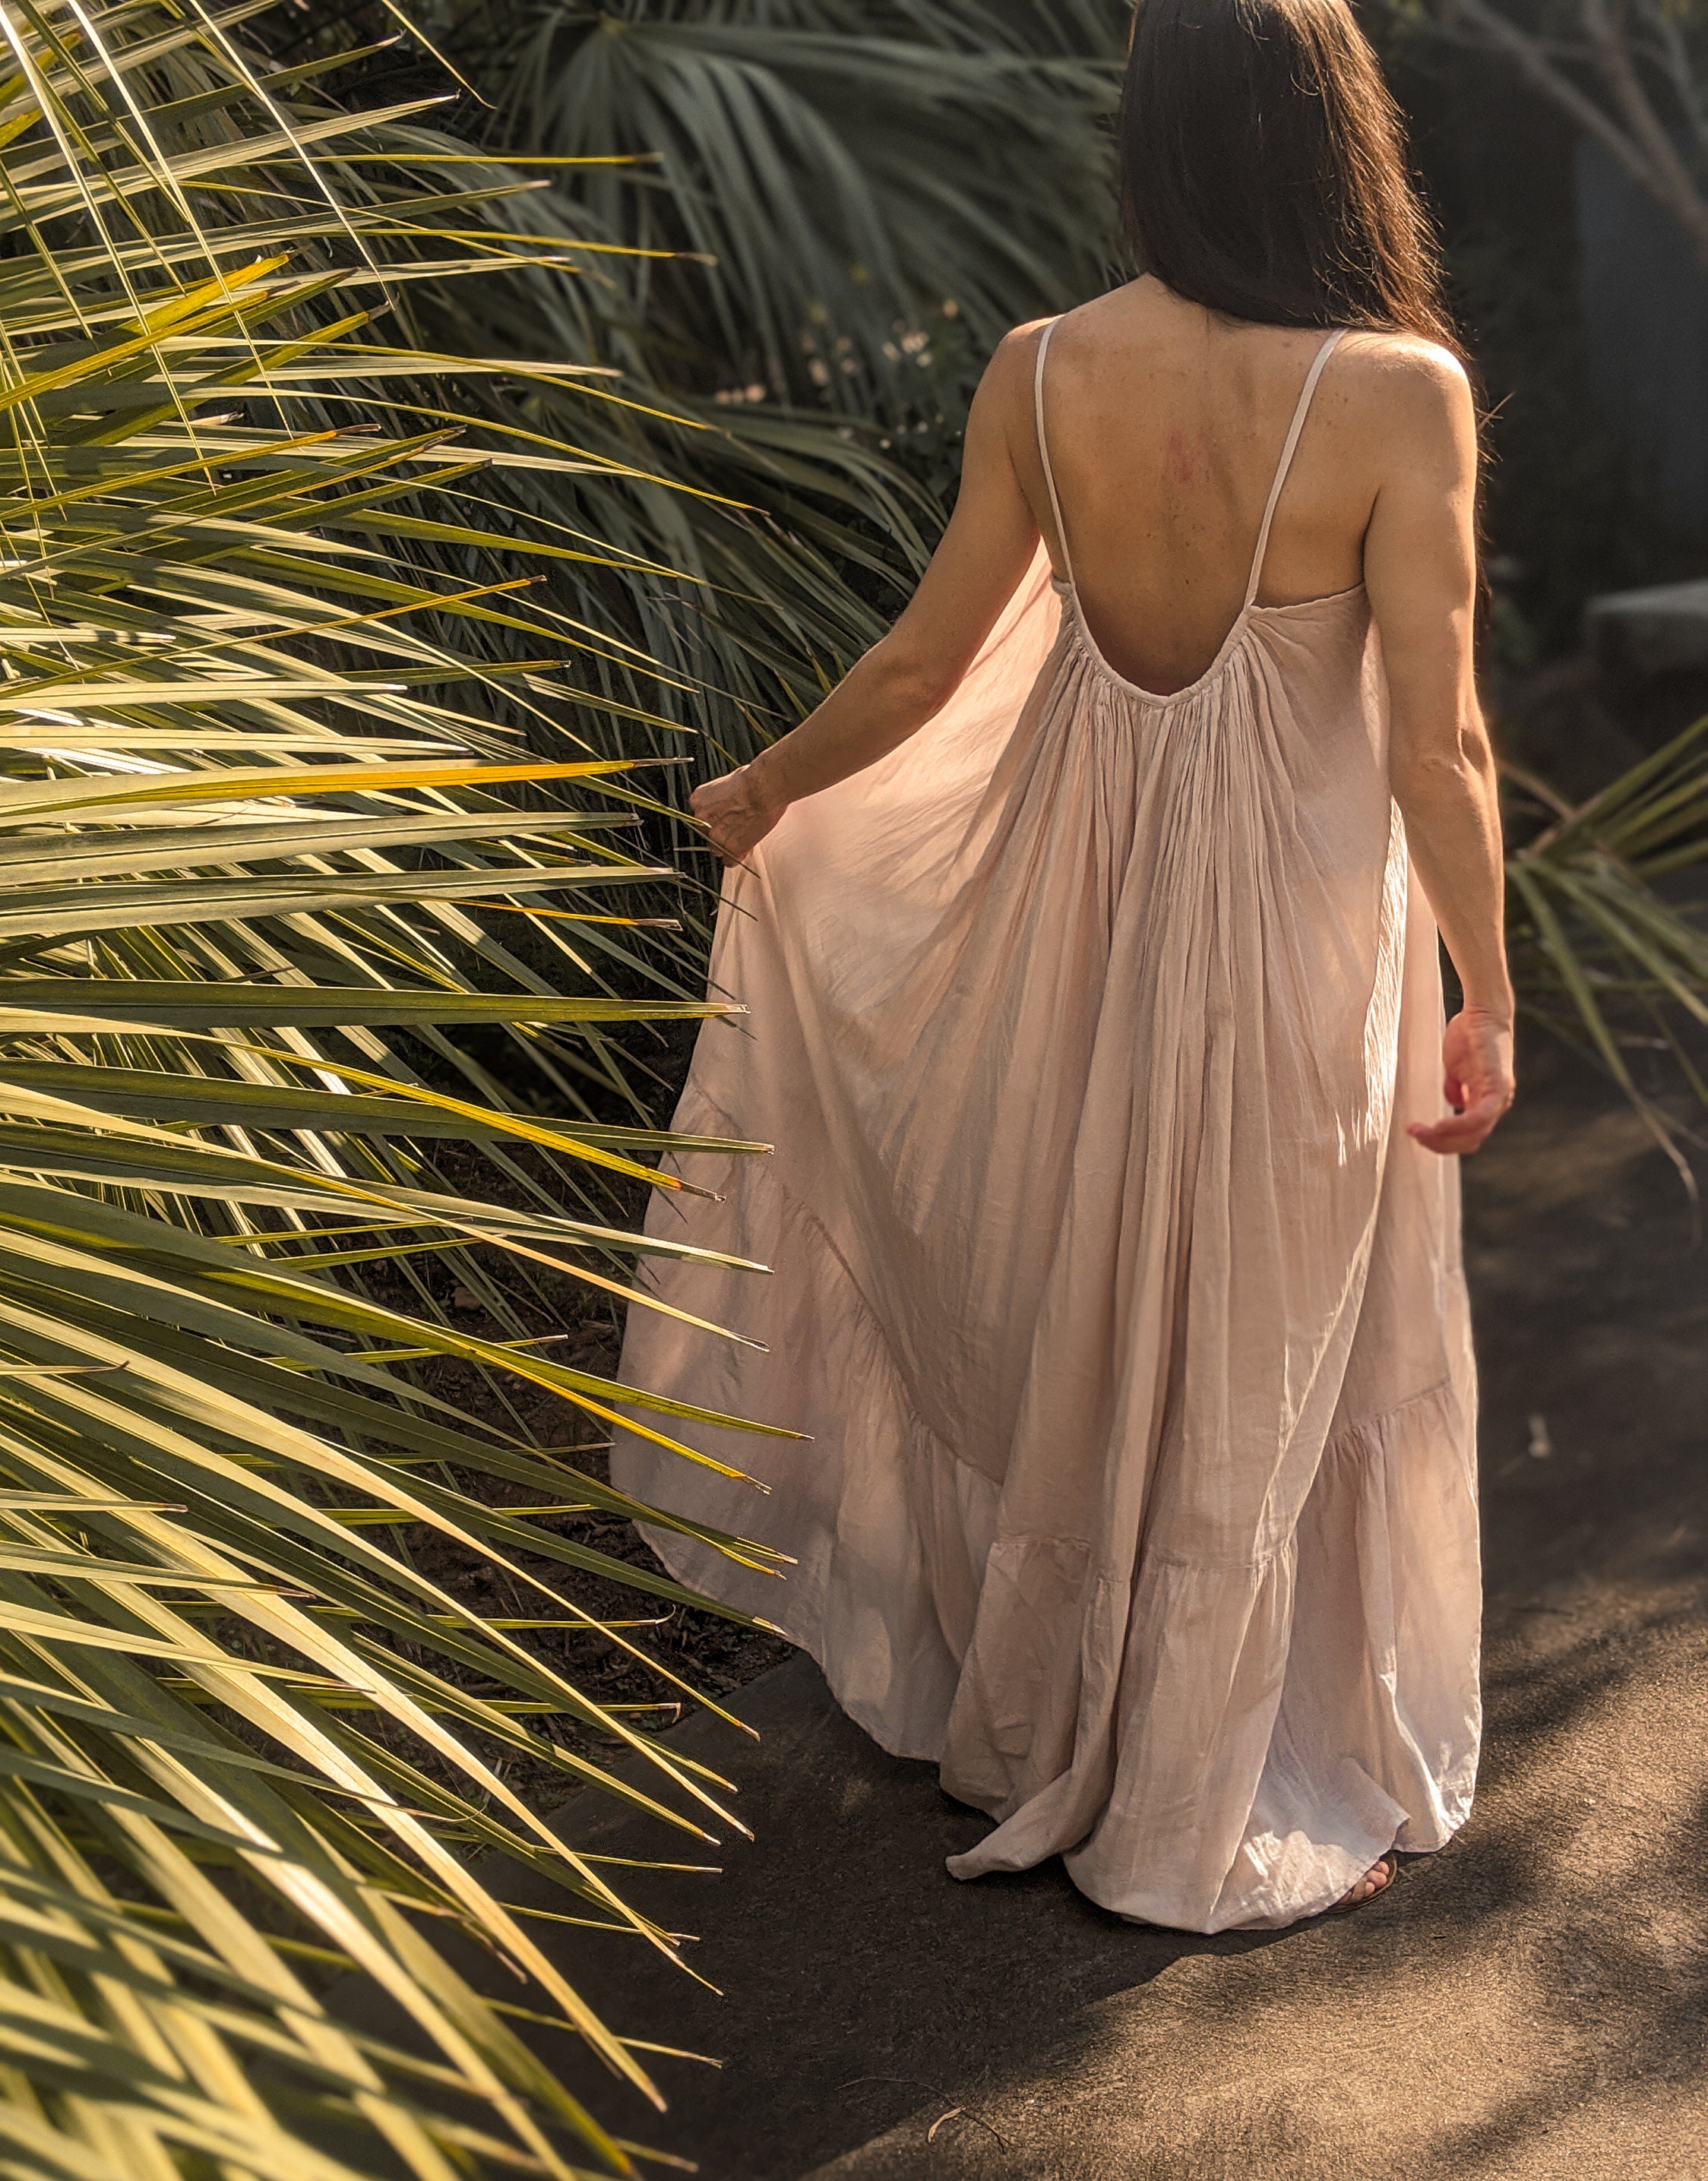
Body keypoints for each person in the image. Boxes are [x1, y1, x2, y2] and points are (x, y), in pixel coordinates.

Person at [611, 0, 1515, 1933]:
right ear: (1333, 136)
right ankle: (1199, 1790)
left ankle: (1056, 1717)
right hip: (1299, 951)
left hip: (1098, 922)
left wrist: (766, 790)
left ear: (1154, 137)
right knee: (1264, 1337)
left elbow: (917, 666)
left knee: (1104, 1310)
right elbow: (1439, 746)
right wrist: (1488, 992)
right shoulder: (1396, 393)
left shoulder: (1041, 372)